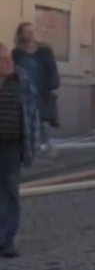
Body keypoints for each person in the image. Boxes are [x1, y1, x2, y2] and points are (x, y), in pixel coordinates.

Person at [0, 42, 42, 258]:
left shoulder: (22, 81)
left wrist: (33, 145)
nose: (7, 63)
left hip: (12, 146)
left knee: (9, 193)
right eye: (2, 60)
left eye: (8, 59)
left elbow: (32, 112)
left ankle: (6, 241)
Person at [12, 22, 60, 132]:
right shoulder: (16, 53)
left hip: (41, 94)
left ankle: (42, 147)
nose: (30, 34)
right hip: (23, 95)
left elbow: (53, 73)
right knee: (25, 125)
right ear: (21, 34)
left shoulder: (44, 51)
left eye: (32, 31)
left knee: (40, 127)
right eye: (27, 31)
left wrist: (49, 86)